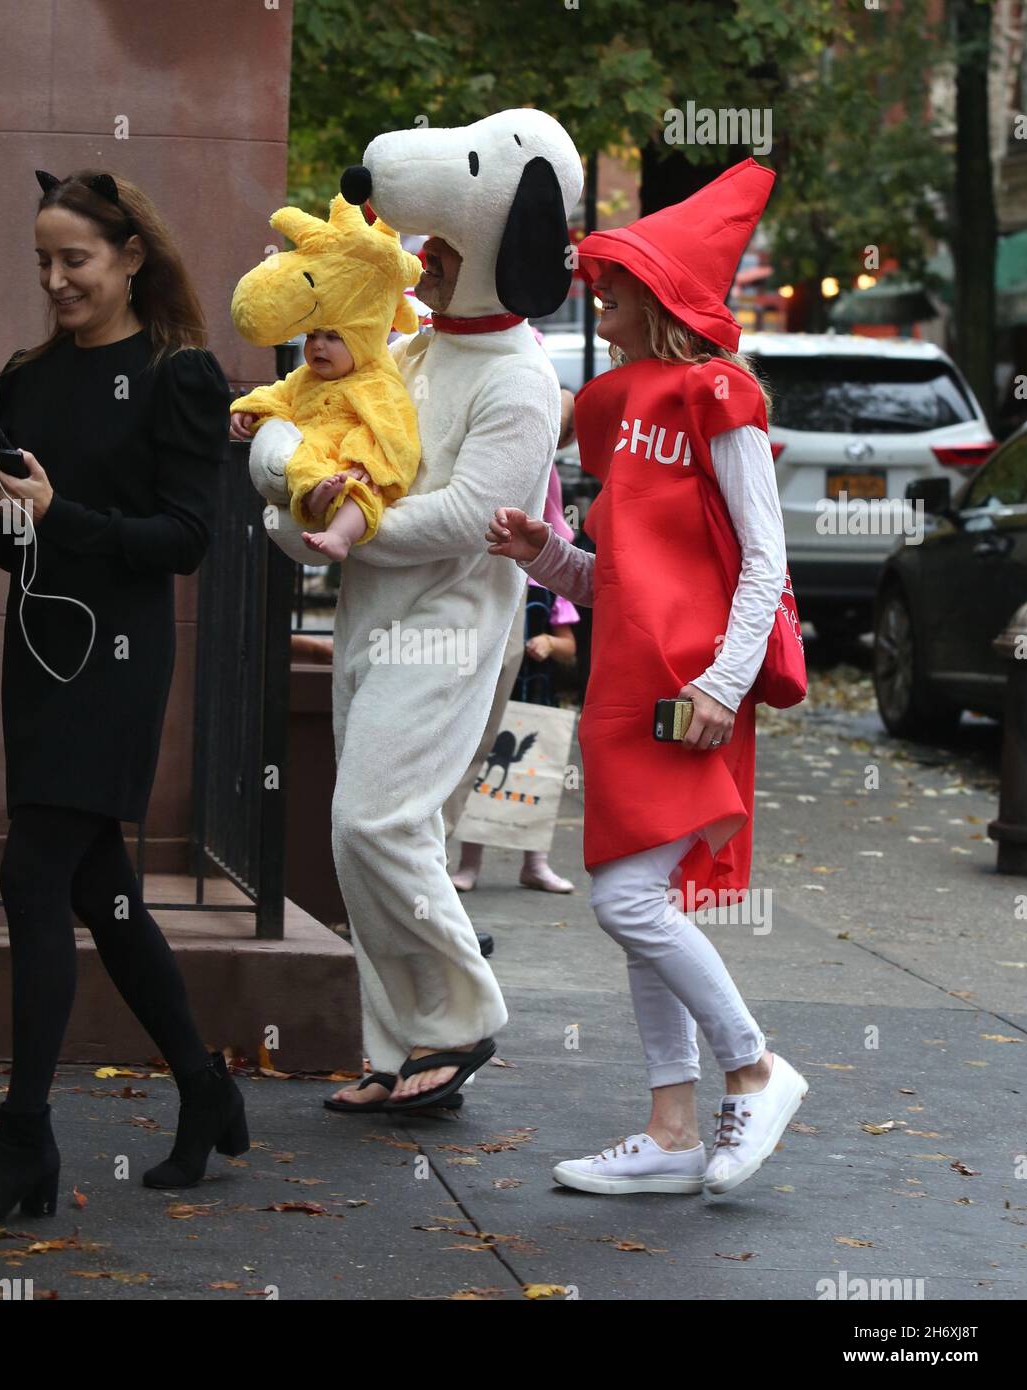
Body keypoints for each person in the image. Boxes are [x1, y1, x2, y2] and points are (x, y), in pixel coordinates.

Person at [249, 109, 584, 1113]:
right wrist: (294, 498)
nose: (420, 263)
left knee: (372, 822)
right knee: (398, 837)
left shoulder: (523, 377)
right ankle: (398, 1048)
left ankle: (462, 1017)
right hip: (372, 615)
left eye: (438, 250)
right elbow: (324, 437)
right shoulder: (419, 350)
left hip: (447, 628)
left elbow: (468, 519)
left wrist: (343, 510)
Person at [487, 159, 809, 1197]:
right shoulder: (621, 407)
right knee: (639, 897)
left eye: (615, 280)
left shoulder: (722, 395)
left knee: (627, 900)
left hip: (684, 698)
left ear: (664, 291)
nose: (597, 291)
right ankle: (672, 1129)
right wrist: (542, 551)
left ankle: (753, 1068)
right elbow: (615, 577)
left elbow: (764, 560)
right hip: (627, 697)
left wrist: (720, 682)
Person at [0, 169, 242, 1226]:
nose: (56, 279)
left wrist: (59, 514)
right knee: (100, 888)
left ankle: (25, 1138)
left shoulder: (177, 375)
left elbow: (182, 541)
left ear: (131, 257)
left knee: (33, 871)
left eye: (77, 260)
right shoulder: (28, 374)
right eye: (43, 261)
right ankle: (202, 1084)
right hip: (41, 648)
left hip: (117, 658)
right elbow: (17, 553)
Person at [229, 195, 423, 562]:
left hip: (352, 463)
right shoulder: (305, 377)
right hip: (313, 455)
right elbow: (279, 394)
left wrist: (367, 465)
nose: (318, 346)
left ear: (365, 338)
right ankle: (317, 496)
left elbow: (393, 431)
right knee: (305, 464)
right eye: (313, 336)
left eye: (333, 338)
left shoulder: (376, 382)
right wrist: (250, 410)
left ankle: (338, 535)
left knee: (361, 498)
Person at [448, 441, 581, 896]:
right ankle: (469, 862)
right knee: (483, 768)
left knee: (532, 779)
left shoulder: (556, 585)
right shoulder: (502, 572)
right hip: (497, 691)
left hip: (534, 695)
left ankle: (535, 863)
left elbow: (570, 647)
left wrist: (547, 641)